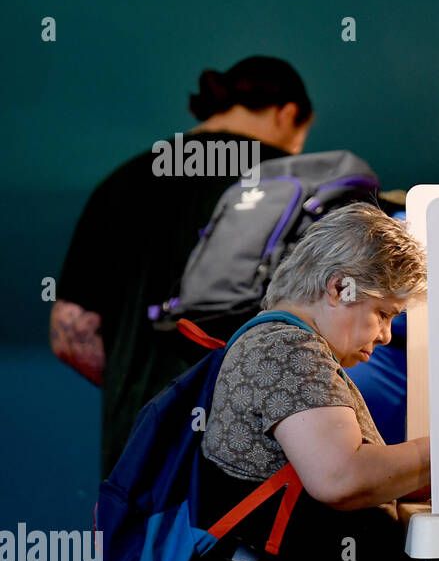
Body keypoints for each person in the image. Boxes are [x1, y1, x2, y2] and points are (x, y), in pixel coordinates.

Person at [129, 202, 430, 561]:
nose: (384, 335)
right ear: (340, 288)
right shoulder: (287, 349)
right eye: (383, 313)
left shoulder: (280, 345)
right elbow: (339, 478)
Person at [51, 56, 315, 479]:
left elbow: (69, 331)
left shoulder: (121, 185)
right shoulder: (294, 185)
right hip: (256, 461)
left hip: (136, 456)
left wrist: (152, 393)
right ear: (288, 114)